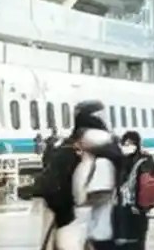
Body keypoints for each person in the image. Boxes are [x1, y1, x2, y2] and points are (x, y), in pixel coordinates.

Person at [57, 101, 122, 250]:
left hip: (97, 233)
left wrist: (80, 202)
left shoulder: (101, 162)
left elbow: (101, 193)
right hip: (88, 232)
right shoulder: (87, 160)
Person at [114, 131, 154, 249]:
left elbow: (150, 184)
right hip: (133, 209)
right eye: (125, 143)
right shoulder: (143, 159)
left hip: (132, 207)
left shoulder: (141, 160)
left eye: (131, 143)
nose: (128, 146)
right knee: (135, 241)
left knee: (130, 241)